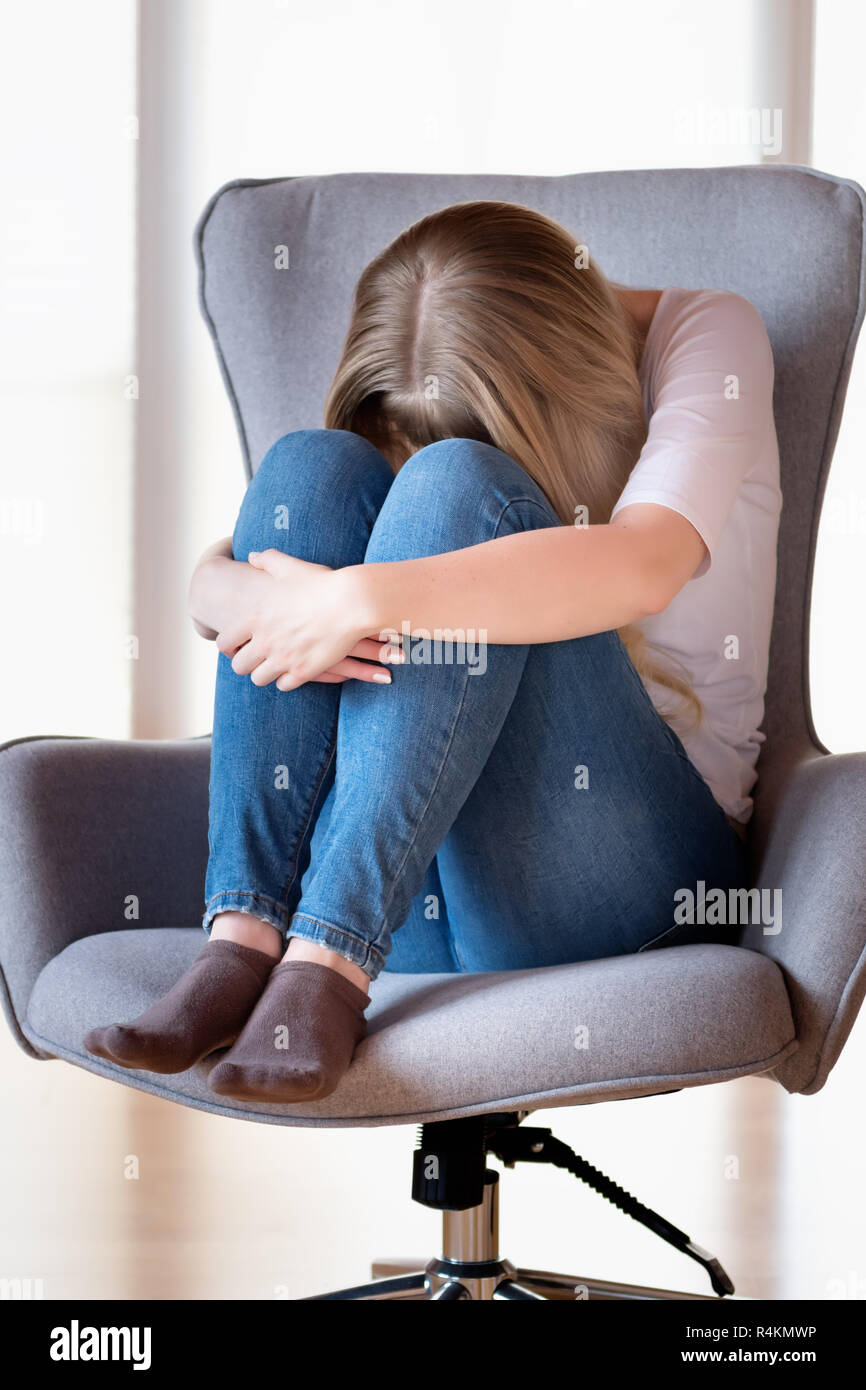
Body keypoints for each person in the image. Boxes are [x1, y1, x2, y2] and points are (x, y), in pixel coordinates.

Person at [84, 200, 781, 1104]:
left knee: (459, 487)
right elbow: (269, 561)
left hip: (622, 884)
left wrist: (363, 598)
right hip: (398, 887)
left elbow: (646, 564)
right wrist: (217, 590)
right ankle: (244, 940)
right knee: (312, 469)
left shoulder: (709, 332)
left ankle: (329, 958)